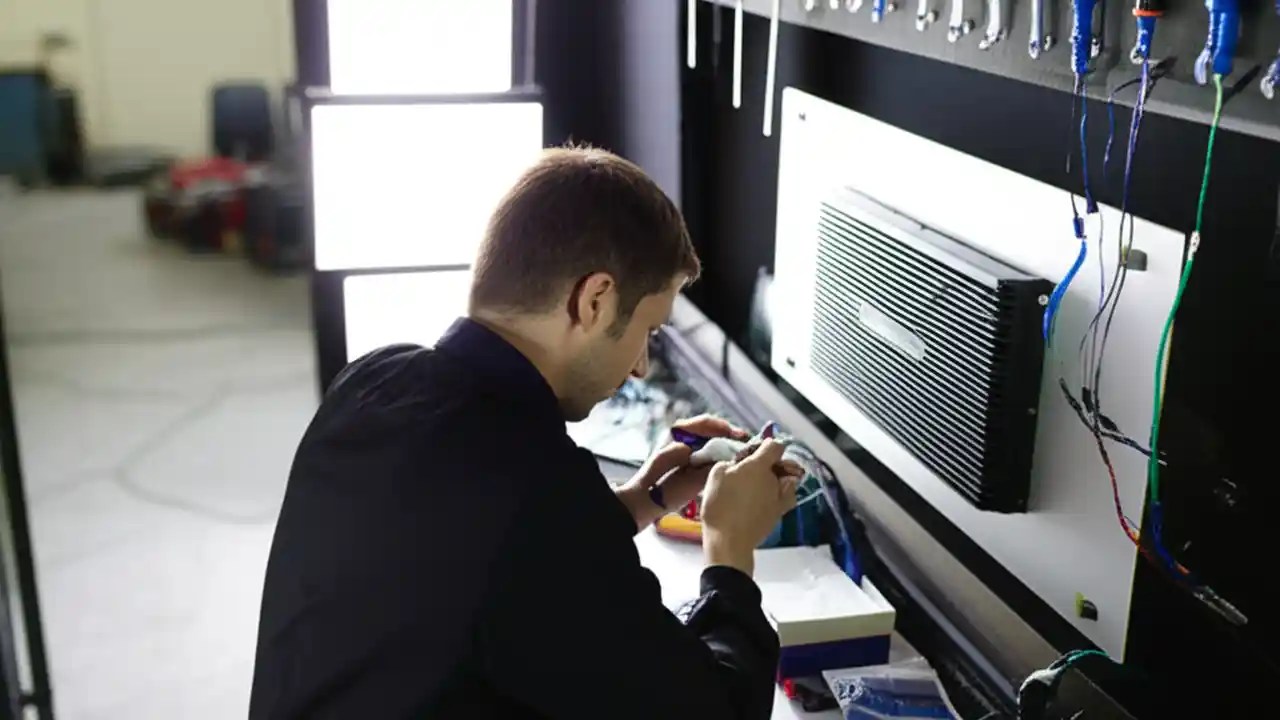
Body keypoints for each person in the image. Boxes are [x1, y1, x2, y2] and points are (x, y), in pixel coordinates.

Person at [249, 146, 805, 719]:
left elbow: (466, 561)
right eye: (649, 329)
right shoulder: (540, 492)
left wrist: (641, 500)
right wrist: (729, 548)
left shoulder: (370, 382)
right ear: (595, 300)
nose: (641, 366)